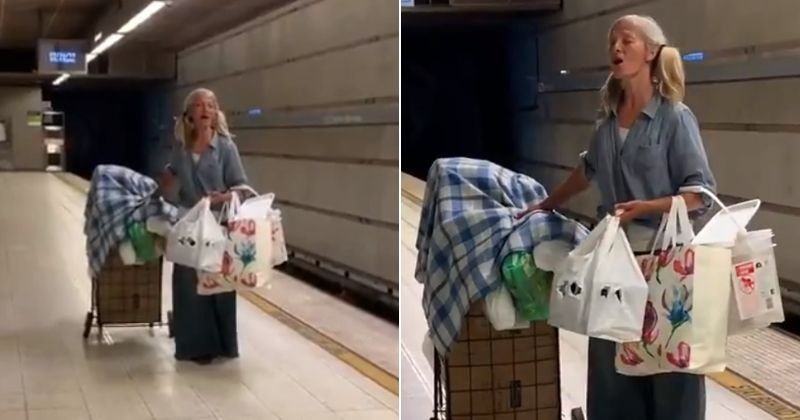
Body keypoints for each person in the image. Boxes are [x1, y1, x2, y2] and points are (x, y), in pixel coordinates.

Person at [519, 15, 716, 420]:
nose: (617, 48)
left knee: (669, 369)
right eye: (613, 42)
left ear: (651, 52)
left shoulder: (675, 118)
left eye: (628, 41)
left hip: (665, 264)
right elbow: (586, 171)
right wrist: (546, 203)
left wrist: (645, 208)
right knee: (613, 375)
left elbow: (700, 195)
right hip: (613, 265)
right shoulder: (606, 126)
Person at [161, 88, 248, 365]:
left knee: (218, 285)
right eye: (198, 105)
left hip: (217, 226)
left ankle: (222, 344)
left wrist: (221, 197)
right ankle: (194, 346)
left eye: (210, 105)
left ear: (216, 112)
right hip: (189, 225)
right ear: (189, 115)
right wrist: (162, 182)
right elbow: (171, 181)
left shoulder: (226, 147)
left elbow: (241, 187)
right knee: (188, 286)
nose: (205, 109)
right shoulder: (181, 148)